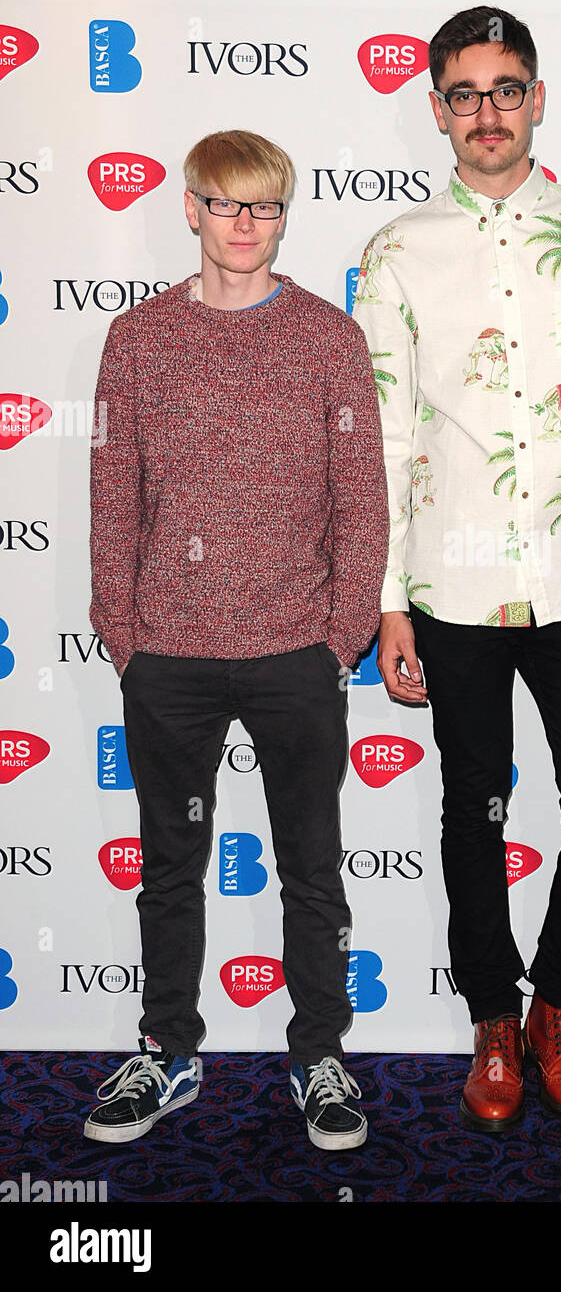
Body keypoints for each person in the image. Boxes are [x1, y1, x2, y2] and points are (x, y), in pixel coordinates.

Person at [353, 6, 561, 1130]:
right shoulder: (395, 252)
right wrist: (387, 599)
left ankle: (558, 1003)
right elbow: (389, 436)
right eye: (463, 93)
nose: (486, 112)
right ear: (435, 106)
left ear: (538, 97)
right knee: (472, 811)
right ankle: (493, 1017)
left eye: (506, 88)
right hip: (450, 586)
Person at [86, 129, 388, 1150]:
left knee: (313, 865)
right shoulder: (135, 339)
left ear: (283, 216)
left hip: (297, 651)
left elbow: (364, 505)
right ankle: (167, 1050)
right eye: (226, 205)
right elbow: (110, 498)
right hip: (167, 654)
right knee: (170, 863)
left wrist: (341, 636)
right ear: (191, 209)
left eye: (264, 206)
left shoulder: (327, 338)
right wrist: (123, 635)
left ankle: (319, 1056)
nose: (245, 224)